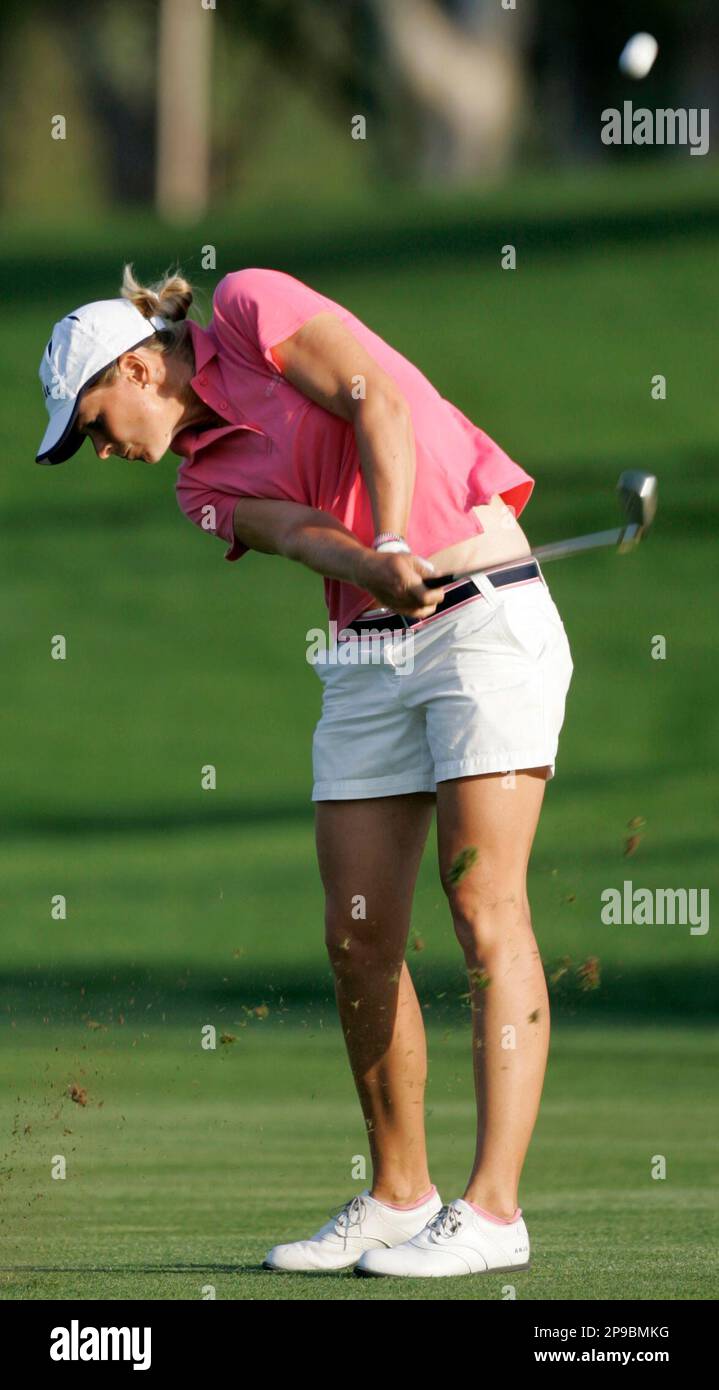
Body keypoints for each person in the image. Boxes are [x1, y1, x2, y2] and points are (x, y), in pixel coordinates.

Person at [35, 264, 573, 1279]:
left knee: (481, 903)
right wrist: (370, 567)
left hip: (481, 616)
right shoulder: (198, 482)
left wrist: (399, 537)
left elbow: (370, 395)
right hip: (369, 649)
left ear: (141, 366)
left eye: (94, 420)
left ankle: (494, 1209)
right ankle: (398, 1196)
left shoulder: (248, 304)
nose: (100, 449)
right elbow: (285, 528)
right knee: (357, 930)